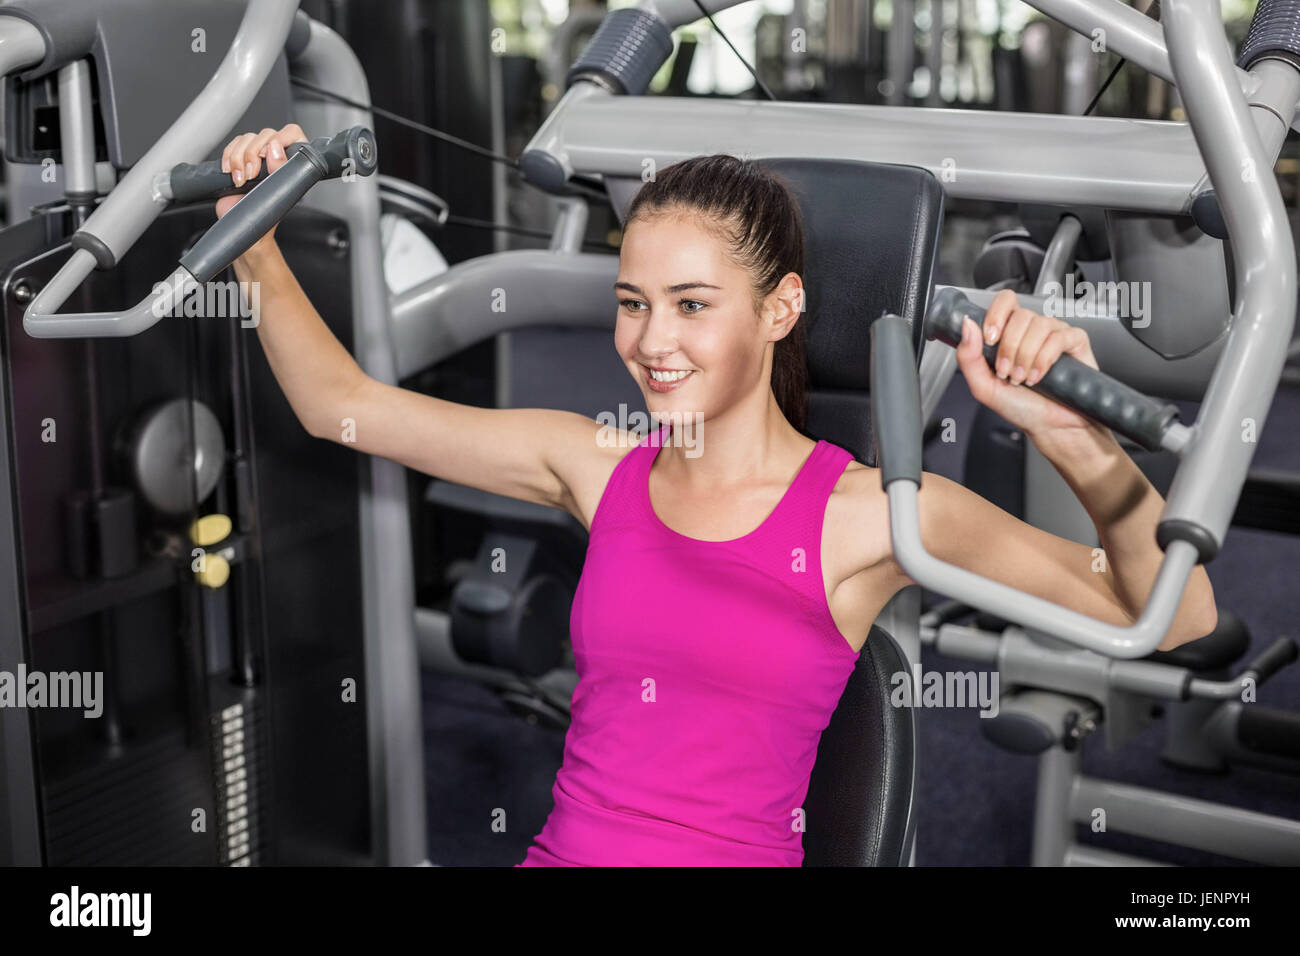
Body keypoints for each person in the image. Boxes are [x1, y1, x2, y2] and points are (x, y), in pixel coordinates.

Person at [218, 125, 1219, 867]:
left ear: (781, 307)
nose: (653, 341)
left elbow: (1171, 616)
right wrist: (255, 242)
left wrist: (1079, 445)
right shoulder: (593, 465)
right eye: (632, 303)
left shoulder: (873, 514)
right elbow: (337, 406)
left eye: (693, 305)